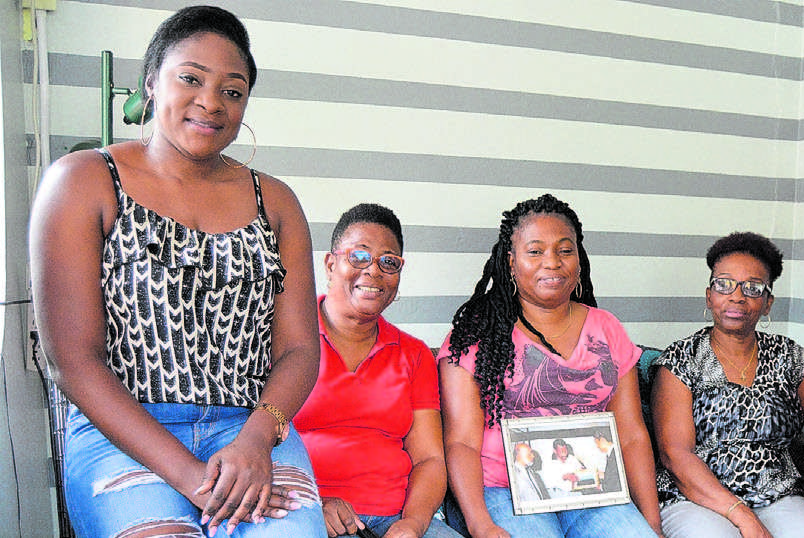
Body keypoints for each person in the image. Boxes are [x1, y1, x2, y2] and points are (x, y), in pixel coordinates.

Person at [28, 6, 326, 537]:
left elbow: (300, 351)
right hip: (124, 433)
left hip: (249, 431)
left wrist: (258, 439)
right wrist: (190, 477)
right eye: (191, 79)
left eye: (233, 91)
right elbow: (71, 360)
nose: (211, 102)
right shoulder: (85, 181)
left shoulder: (276, 202)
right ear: (152, 84)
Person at [438, 194, 664, 538]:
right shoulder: (475, 333)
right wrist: (480, 523)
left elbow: (632, 435)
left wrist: (651, 524)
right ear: (511, 262)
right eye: (535, 251)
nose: (553, 262)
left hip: (595, 492)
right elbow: (461, 443)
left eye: (565, 250)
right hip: (504, 492)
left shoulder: (607, 327)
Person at [651, 231, 804, 538]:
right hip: (695, 499)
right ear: (709, 295)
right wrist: (743, 517)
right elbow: (676, 455)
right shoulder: (682, 359)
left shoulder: (786, 356)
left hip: (775, 495)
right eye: (724, 284)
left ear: (767, 303)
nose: (737, 296)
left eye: (753, 288)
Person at [292, 204, 460, 538]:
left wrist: (412, 523)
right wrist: (309, 504)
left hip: (394, 518)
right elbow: (249, 441)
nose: (373, 271)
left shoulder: (413, 354)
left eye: (389, 262)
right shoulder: (288, 338)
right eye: (359, 256)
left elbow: (429, 459)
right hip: (306, 515)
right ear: (330, 263)